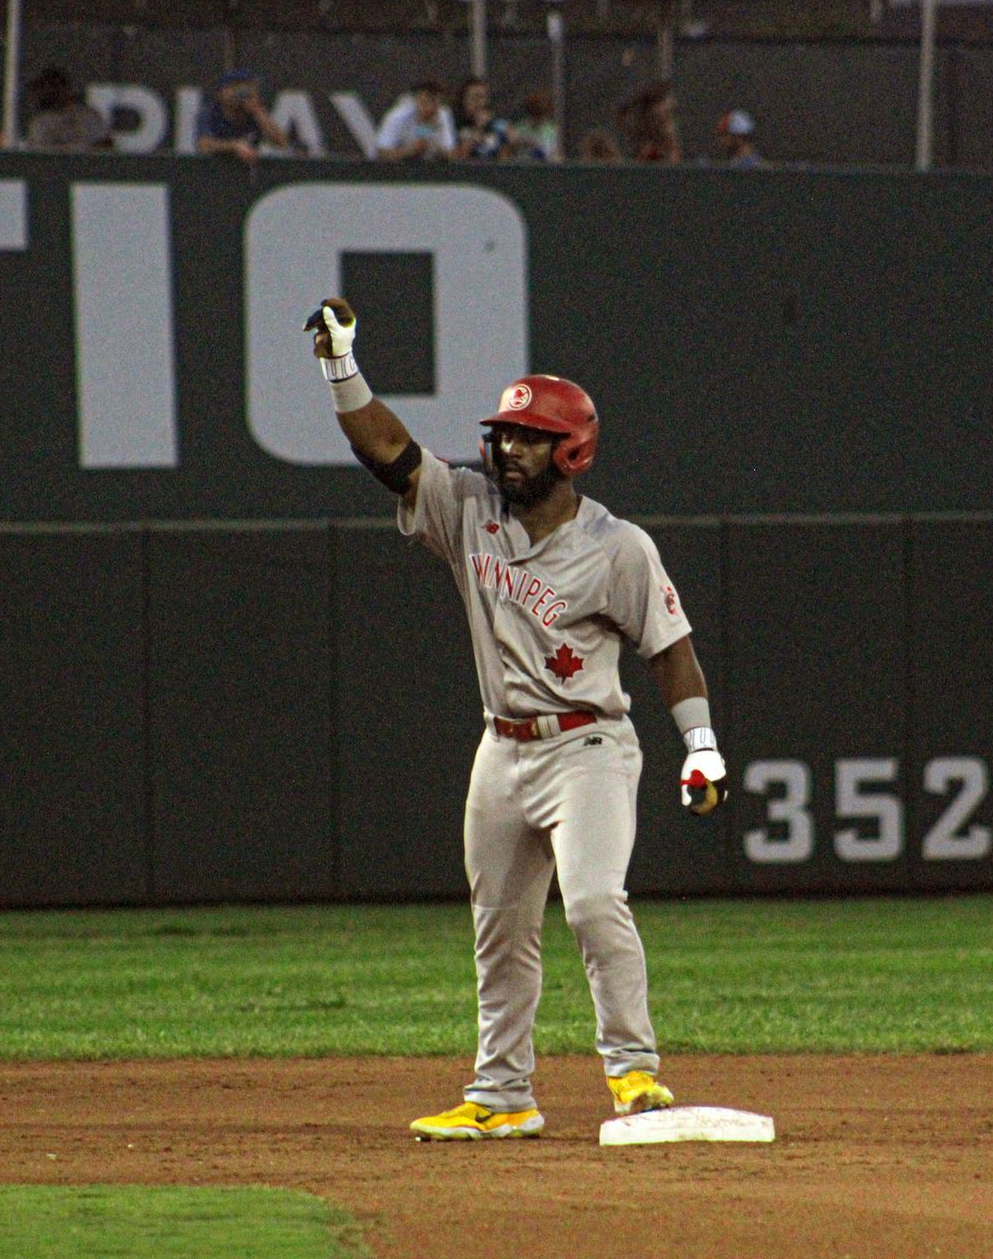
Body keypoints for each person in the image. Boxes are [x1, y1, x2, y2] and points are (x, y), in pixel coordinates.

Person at [301, 296, 730, 1140]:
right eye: (501, 433)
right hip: (501, 750)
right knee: (498, 930)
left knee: (597, 902)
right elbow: (390, 455)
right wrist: (340, 368)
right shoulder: (468, 508)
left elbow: (670, 649)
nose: (505, 446)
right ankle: (503, 1096)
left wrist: (703, 748)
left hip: (590, 747)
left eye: (526, 436)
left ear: (572, 449)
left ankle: (635, 1073)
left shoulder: (619, 548)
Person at [194, 69, 290, 162]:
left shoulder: (253, 113)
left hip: (247, 171)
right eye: (235, 87)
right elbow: (203, 145)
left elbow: (281, 142)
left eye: (247, 87)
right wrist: (234, 146)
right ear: (221, 92)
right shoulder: (210, 112)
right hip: (215, 168)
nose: (241, 92)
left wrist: (258, 113)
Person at [25, 67, 110, 153]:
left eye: (54, 86)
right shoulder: (40, 123)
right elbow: (37, 153)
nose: (50, 91)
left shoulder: (88, 116)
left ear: (66, 88)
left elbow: (105, 145)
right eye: (44, 87)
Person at [375, 80, 455, 161]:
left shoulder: (443, 114)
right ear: (416, 100)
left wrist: (436, 149)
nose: (430, 107)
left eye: (435, 102)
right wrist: (408, 151)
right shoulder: (398, 115)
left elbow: (450, 153)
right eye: (425, 101)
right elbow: (381, 153)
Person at [619, 83, 681, 163]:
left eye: (669, 116)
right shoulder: (645, 151)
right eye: (665, 117)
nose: (670, 124)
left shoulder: (672, 146)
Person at [452, 77, 511, 161]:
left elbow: (506, 154)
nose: (481, 102)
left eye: (484, 97)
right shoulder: (454, 123)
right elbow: (458, 156)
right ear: (463, 99)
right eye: (476, 97)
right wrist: (478, 128)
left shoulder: (494, 123)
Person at [507, 91, 560, 163]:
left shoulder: (552, 130)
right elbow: (508, 150)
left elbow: (555, 154)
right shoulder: (519, 129)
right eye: (533, 115)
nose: (537, 119)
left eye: (540, 115)